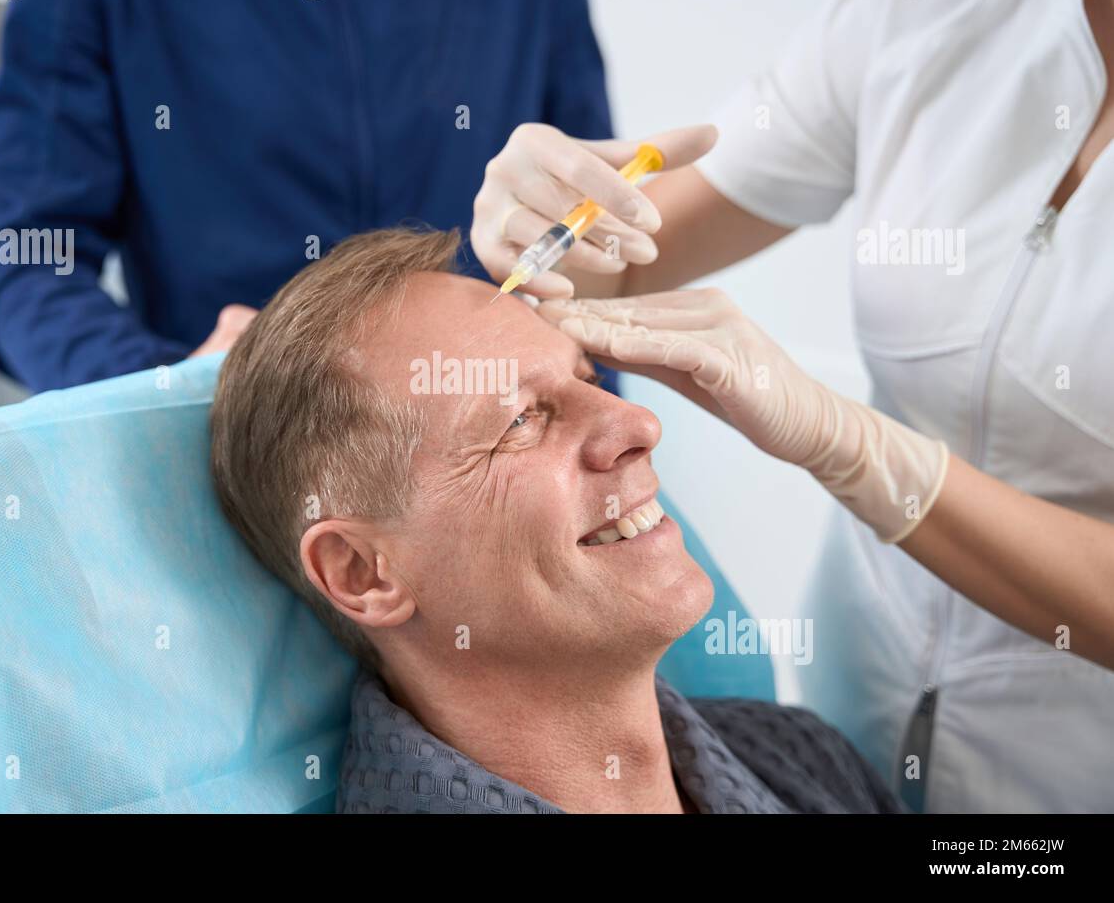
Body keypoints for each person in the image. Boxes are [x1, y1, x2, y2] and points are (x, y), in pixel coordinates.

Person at [468, 0, 1114, 812]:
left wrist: (861, 453)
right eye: (519, 418)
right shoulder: (941, 12)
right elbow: (618, 270)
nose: (636, 433)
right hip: (849, 723)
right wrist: (549, 226)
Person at [210, 228, 903, 814]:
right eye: (520, 421)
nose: (639, 424)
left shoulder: (802, 757)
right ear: (363, 573)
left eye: (589, 380)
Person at [0, 0, 614, 392]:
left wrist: (587, 409)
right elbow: (17, 252)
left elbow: (591, 234)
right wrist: (164, 385)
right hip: (230, 468)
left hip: (494, 450)